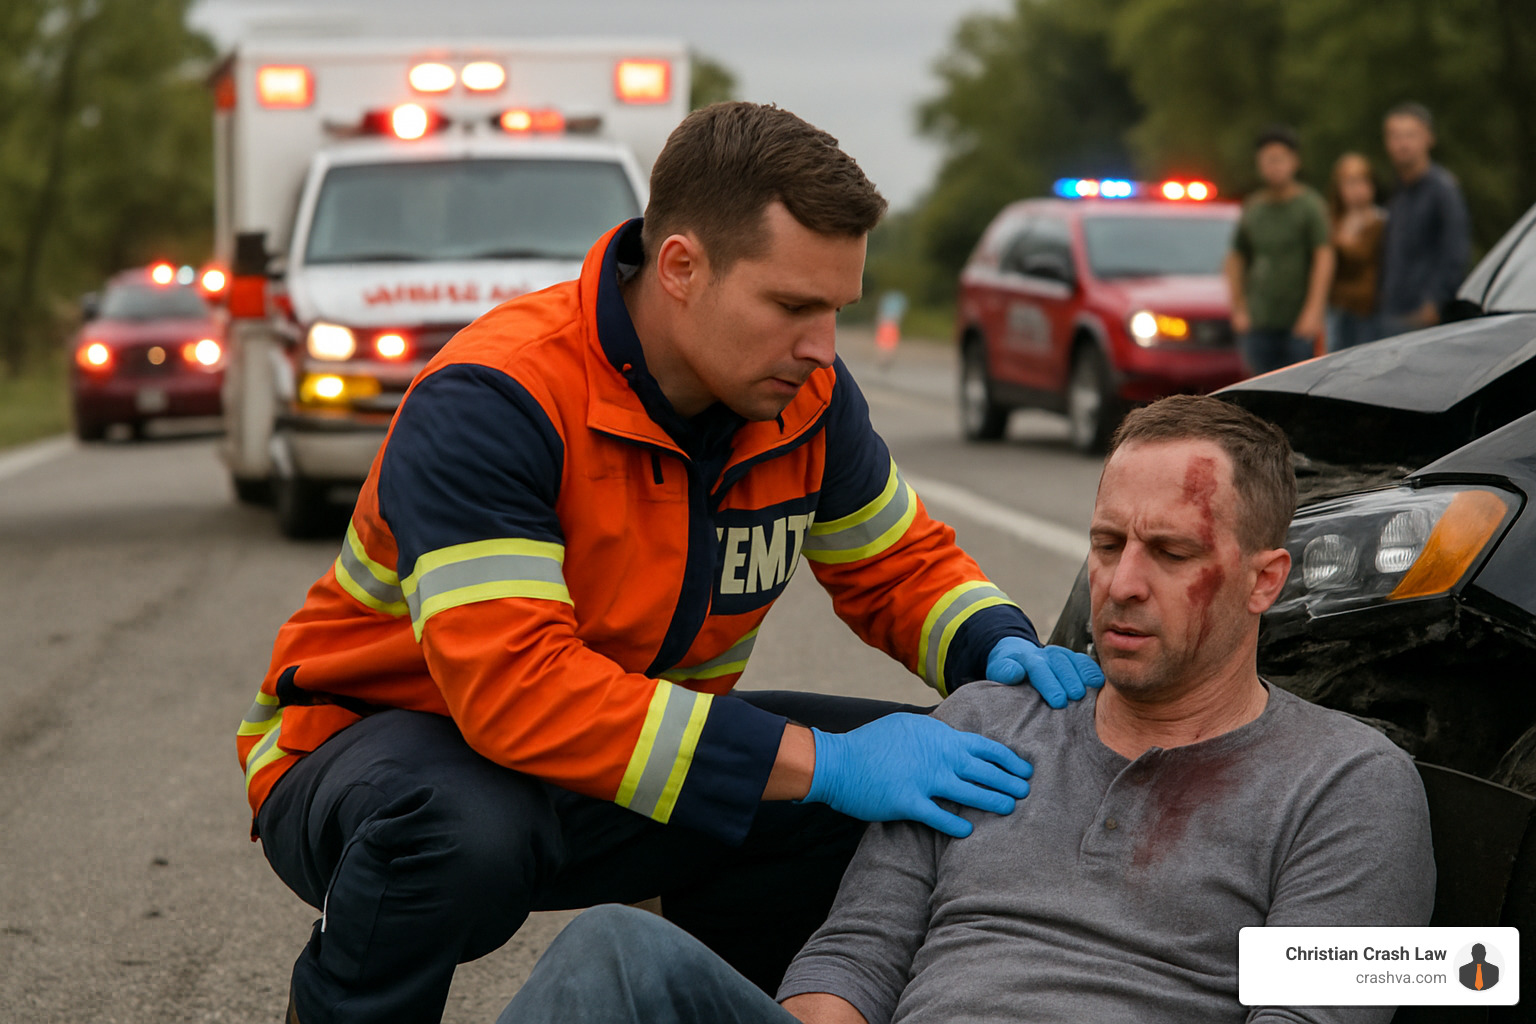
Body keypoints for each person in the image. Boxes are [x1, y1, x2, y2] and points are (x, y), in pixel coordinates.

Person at [238, 101, 1103, 1024]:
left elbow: (898, 565)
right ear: (683, 267)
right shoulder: (497, 398)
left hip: (622, 757)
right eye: (792, 306)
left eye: (837, 310)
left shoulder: (805, 398)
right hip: (384, 754)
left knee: (928, 794)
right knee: (463, 835)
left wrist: (994, 642)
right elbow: (517, 693)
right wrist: (819, 762)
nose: (822, 348)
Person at [498, 394, 1436, 1024]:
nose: (1122, 584)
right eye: (1107, 544)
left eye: (1172, 553)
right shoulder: (986, 727)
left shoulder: (1346, 784)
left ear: (1266, 580)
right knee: (613, 949)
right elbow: (857, 959)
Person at [1225, 125, 1335, 374]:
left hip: (1297, 323)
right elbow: (1236, 257)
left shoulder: (1310, 206)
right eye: (1267, 160)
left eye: (1280, 159)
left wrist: (1313, 311)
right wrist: (1239, 308)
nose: (1274, 166)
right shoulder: (1253, 207)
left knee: (1299, 388)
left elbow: (1323, 257)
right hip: (1258, 321)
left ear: (1294, 161)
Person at [1376, 102, 1471, 337]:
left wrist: (1434, 303)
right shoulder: (1397, 191)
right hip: (1391, 311)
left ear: (1429, 138)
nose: (1402, 143)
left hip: (1424, 318)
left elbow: (1455, 252)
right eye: (1395, 136)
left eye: (1410, 135)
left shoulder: (1443, 190)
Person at [1325, 152, 1387, 352]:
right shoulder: (1332, 221)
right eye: (1349, 182)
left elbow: (1361, 256)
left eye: (1361, 181)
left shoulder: (1381, 222)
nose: (1356, 189)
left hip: (1368, 311)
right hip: (1336, 309)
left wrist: (1343, 243)